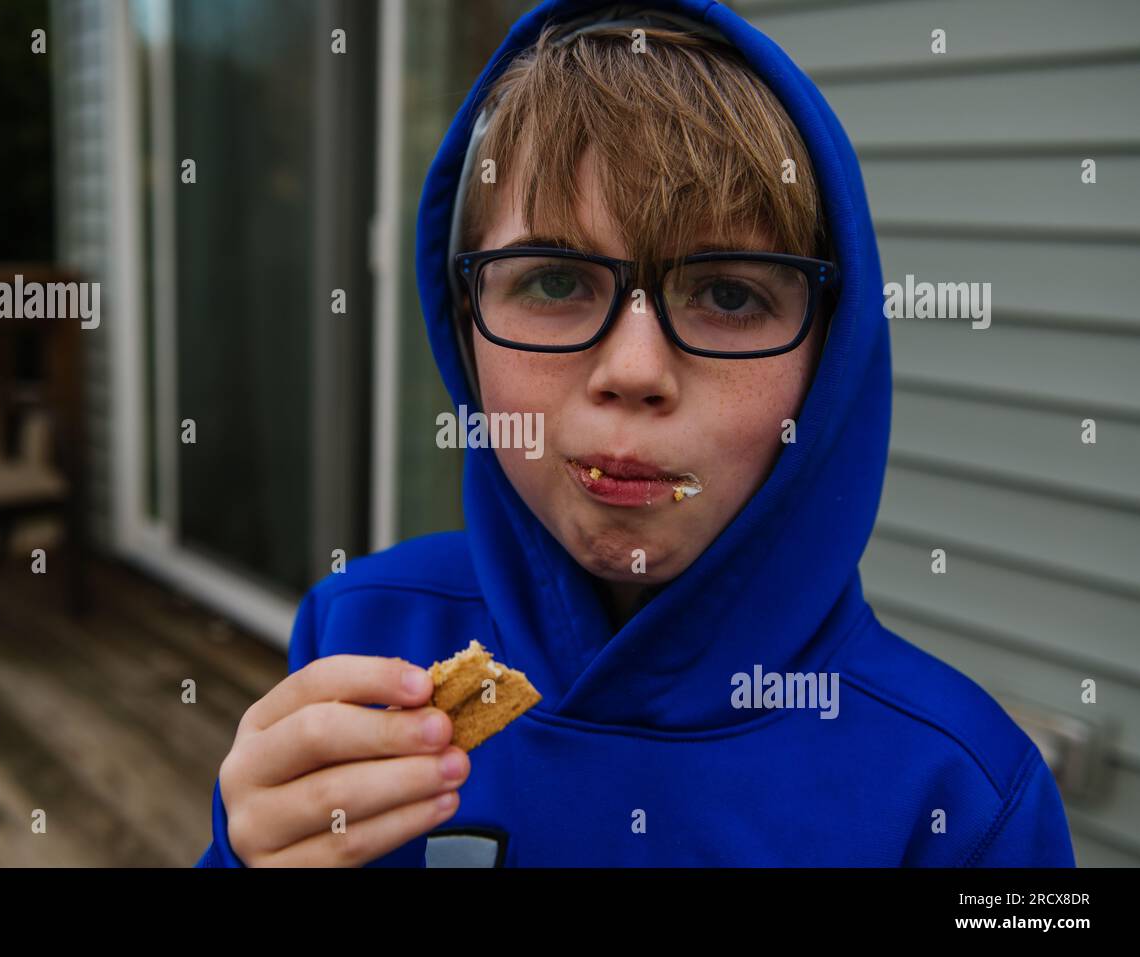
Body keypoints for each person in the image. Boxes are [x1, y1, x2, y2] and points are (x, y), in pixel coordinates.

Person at [197, 0, 1076, 867]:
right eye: (552, 282)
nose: (634, 369)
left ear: (831, 361)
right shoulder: (361, 636)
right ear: (463, 324)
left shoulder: (965, 802)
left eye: (730, 293)